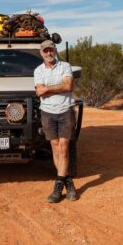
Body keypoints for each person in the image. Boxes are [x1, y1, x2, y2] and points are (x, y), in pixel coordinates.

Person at [34, 39, 77, 203]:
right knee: (55, 147)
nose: (48, 53)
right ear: (41, 53)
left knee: (64, 148)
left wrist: (48, 89)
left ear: (55, 50)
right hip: (47, 112)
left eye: (51, 50)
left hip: (65, 110)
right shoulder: (38, 71)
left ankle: (58, 184)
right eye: (45, 51)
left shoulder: (65, 66)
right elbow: (39, 92)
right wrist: (56, 87)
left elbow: (69, 87)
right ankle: (68, 182)